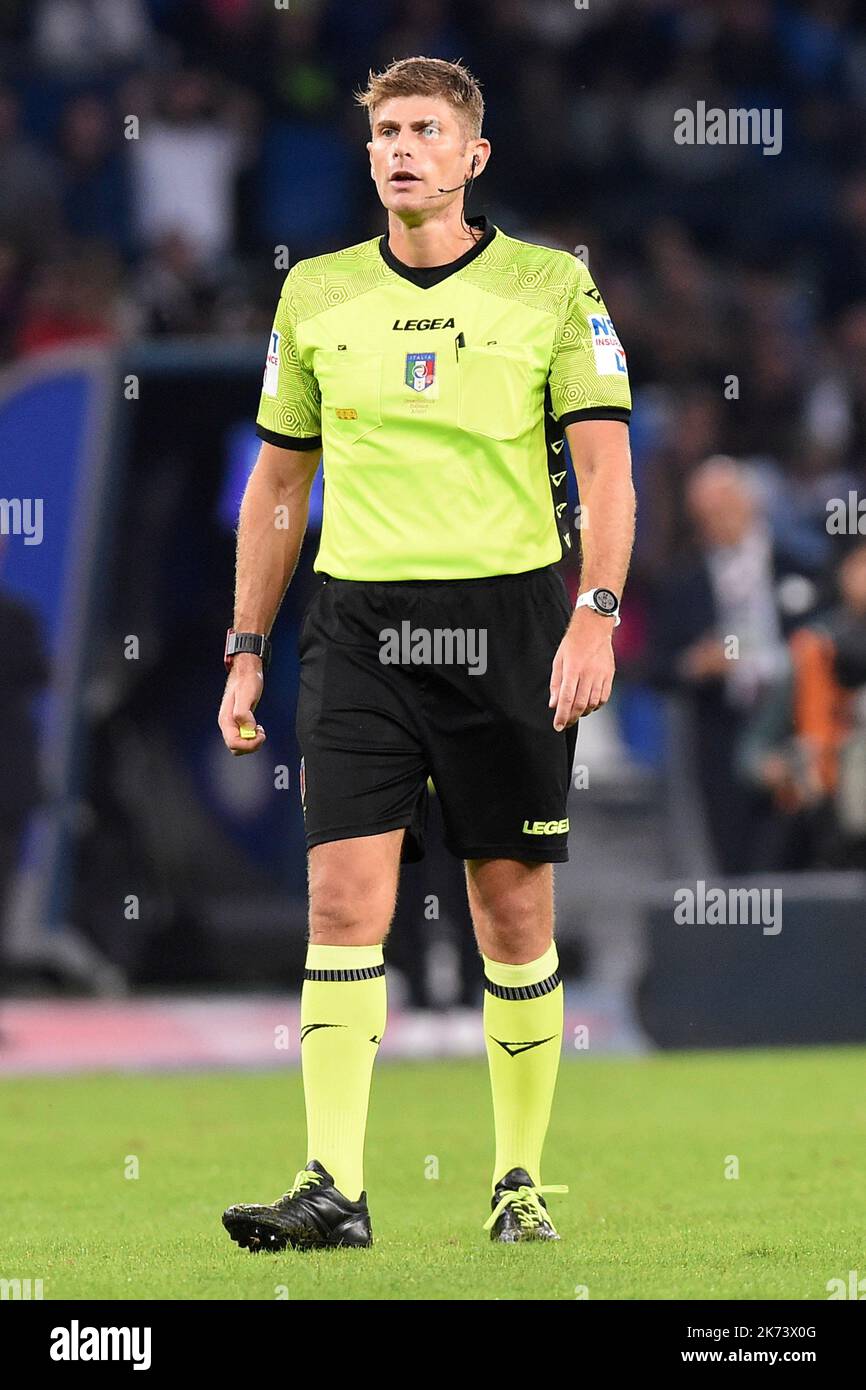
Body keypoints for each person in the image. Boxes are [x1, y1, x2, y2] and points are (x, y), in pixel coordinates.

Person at [217, 56, 634, 1249]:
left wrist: (593, 611)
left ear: (472, 157)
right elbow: (279, 488)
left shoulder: (553, 287)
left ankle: (515, 1181)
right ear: (368, 155)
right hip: (356, 628)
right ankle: (333, 1189)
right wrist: (246, 648)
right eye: (385, 131)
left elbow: (605, 468)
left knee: (510, 915)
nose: (400, 147)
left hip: (505, 622)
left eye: (424, 131)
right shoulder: (314, 297)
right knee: (342, 898)